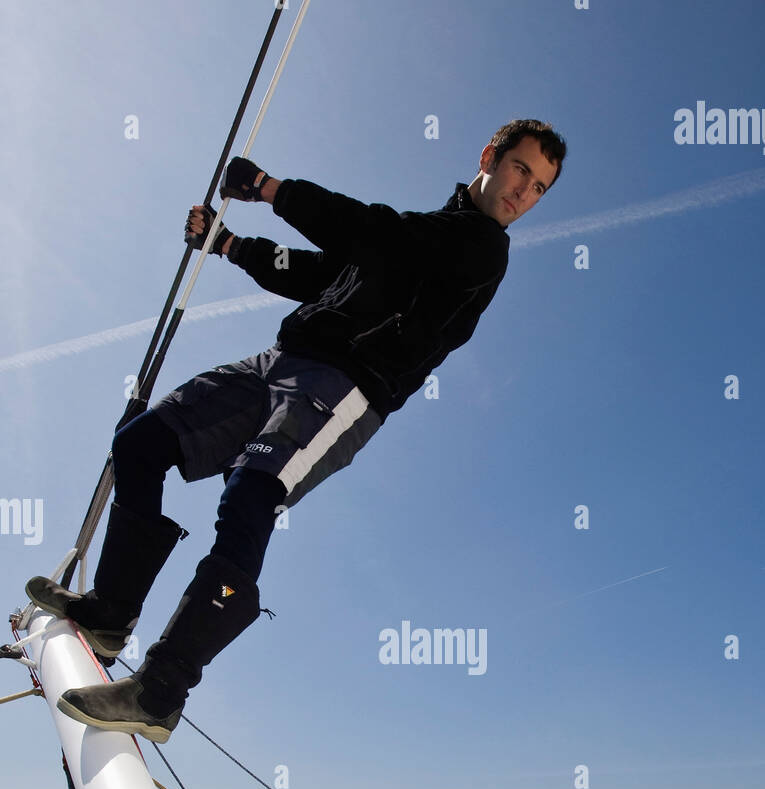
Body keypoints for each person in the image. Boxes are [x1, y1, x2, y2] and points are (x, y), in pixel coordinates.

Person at [27, 118, 566, 742]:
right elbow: (320, 275)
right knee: (141, 441)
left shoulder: (477, 249)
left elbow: (374, 231)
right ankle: (111, 612)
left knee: (250, 496)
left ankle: (160, 690)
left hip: (344, 389)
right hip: (276, 364)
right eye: (522, 171)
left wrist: (270, 187)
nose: (524, 194)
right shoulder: (421, 240)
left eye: (540, 189)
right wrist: (229, 244)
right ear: (490, 158)